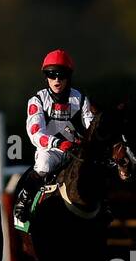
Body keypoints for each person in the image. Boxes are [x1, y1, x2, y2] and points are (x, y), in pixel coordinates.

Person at [11, 49, 93, 225]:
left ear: (68, 76)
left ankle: (104, 205)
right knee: (43, 165)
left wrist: (83, 141)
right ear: (46, 76)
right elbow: (35, 133)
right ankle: (24, 201)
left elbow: (91, 127)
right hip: (50, 150)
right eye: (52, 74)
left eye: (61, 75)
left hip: (76, 151)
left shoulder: (81, 98)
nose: (57, 80)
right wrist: (57, 143)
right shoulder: (37, 100)